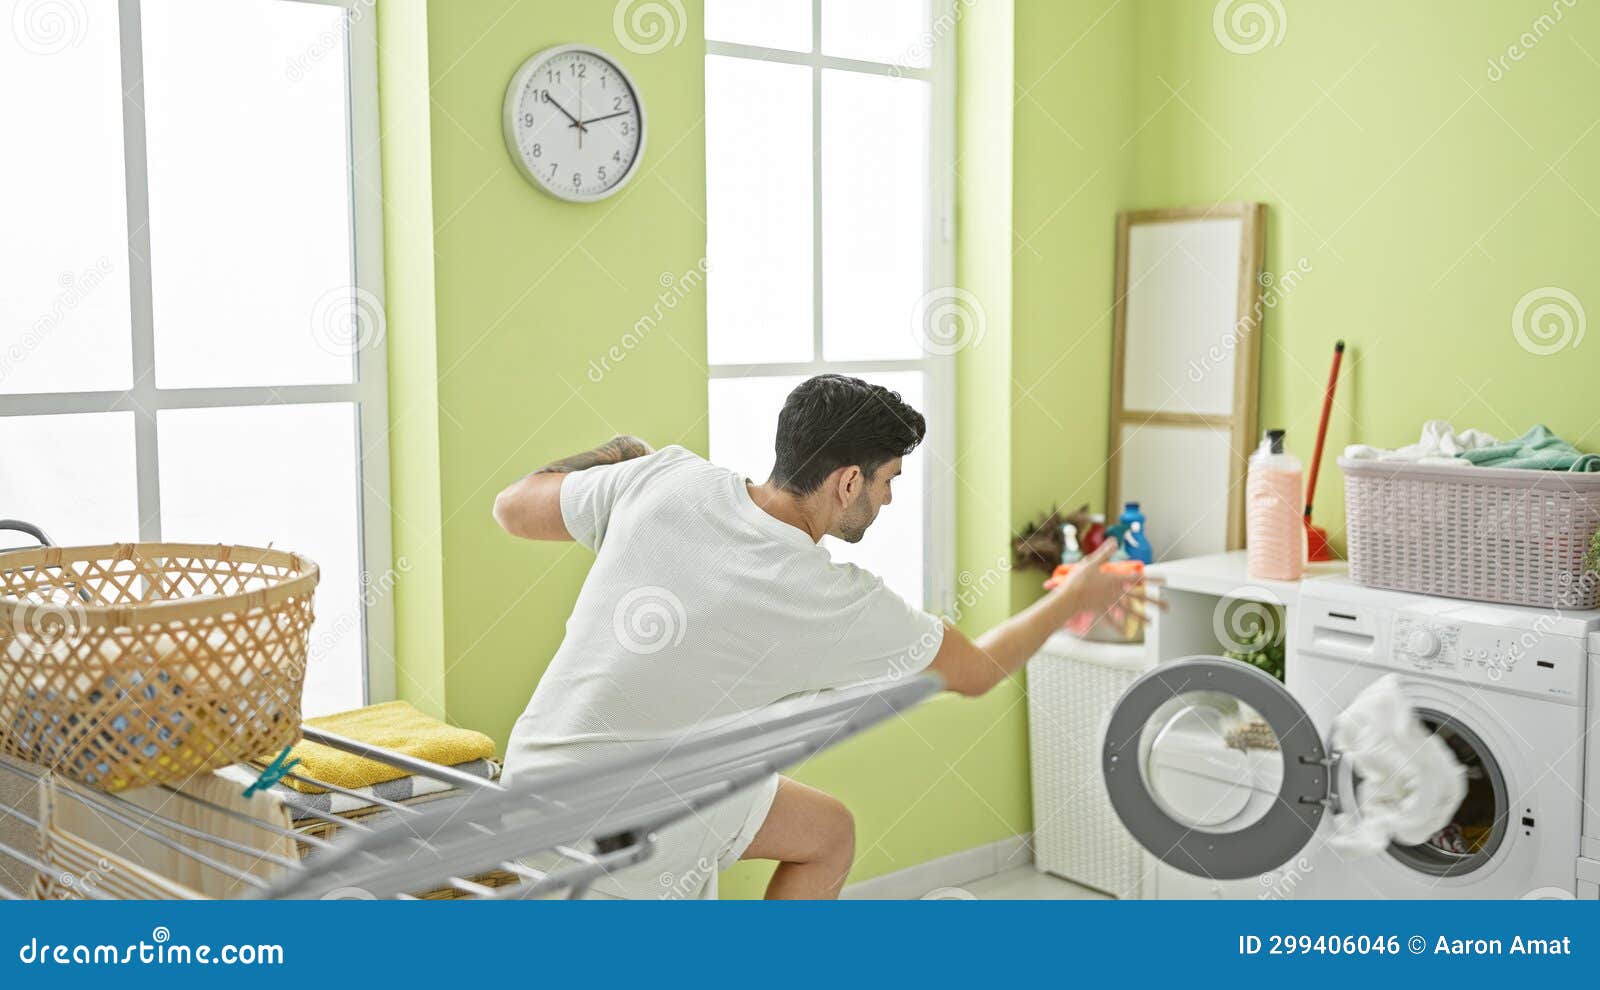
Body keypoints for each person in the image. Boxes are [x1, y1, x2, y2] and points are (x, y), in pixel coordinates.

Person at [492, 374, 1160, 899]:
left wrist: (623, 457)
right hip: (629, 828)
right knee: (811, 829)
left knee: (824, 828)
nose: (890, 500)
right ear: (847, 482)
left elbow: (514, 509)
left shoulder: (666, 477)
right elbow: (980, 672)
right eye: (888, 481)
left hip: (530, 784)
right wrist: (1075, 595)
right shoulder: (832, 597)